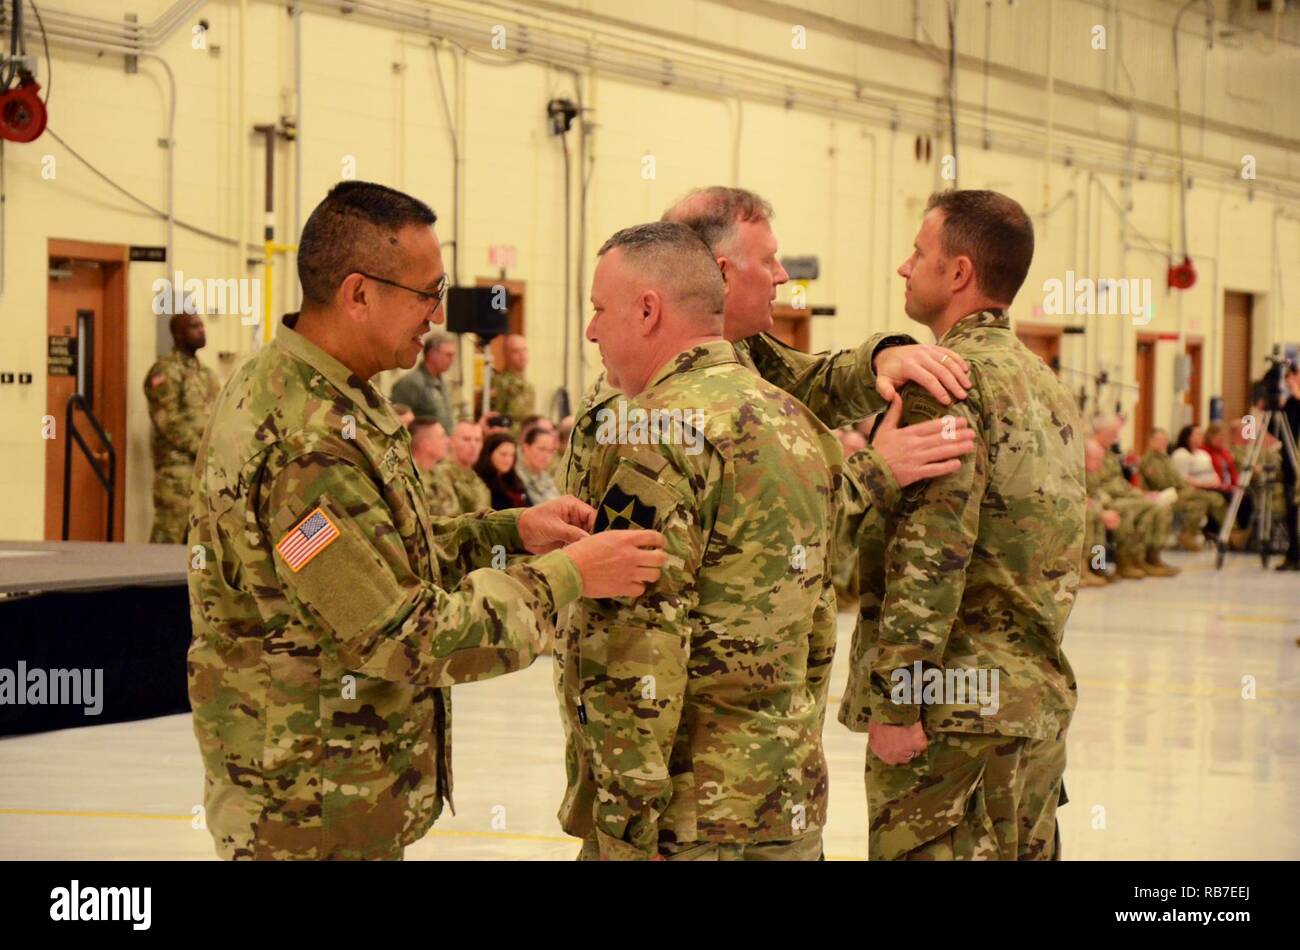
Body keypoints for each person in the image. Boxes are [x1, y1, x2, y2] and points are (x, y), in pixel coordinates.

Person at [186, 180, 667, 861]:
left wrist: (507, 534)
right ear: (358, 294)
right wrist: (564, 577)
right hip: (305, 815)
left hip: (329, 795)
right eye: (427, 294)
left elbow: (372, 559)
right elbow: (399, 636)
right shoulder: (307, 440)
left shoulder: (320, 391)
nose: (437, 316)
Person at [556, 221, 847, 860]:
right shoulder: (800, 424)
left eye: (600, 310)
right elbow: (819, 621)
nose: (592, 330)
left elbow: (634, 646)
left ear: (648, 310)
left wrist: (626, 822)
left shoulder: (656, 433)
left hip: (684, 821)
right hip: (785, 800)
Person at [839, 190, 1084, 861]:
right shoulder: (1048, 388)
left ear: (958, 274)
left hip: (950, 721)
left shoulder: (944, 382)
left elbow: (930, 556)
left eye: (919, 252)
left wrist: (898, 702)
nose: (902, 267)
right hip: (1031, 708)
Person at [144, 311, 220, 543]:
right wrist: (203, 449)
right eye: (194, 327)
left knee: (201, 542)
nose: (201, 331)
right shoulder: (165, 371)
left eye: (202, 326)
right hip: (177, 472)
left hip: (205, 472)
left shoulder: (206, 373)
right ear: (178, 334)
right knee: (169, 537)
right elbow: (168, 421)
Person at [1091, 415, 1180, 577]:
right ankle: (1125, 562)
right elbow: (1094, 485)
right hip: (1105, 500)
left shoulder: (1109, 455)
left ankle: (1149, 557)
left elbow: (1121, 483)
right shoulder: (1091, 451)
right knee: (1130, 511)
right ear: (1101, 432)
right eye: (1113, 433)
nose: (1115, 438)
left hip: (1122, 497)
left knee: (1160, 508)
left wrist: (1142, 494)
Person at [1139, 426, 1226, 549]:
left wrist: (1184, 485)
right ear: (1151, 441)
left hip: (1176, 492)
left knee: (1200, 503)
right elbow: (1161, 483)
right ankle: (1229, 532)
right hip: (1164, 495)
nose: (1163, 442)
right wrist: (1185, 486)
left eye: (1164, 439)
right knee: (1213, 497)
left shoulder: (1165, 458)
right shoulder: (1150, 460)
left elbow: (1177, 478)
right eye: (1159, 439)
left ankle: (1188, 535)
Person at [389, 331, 462, 434]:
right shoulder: (411, 383)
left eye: (453, 355)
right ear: (432, 353)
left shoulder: (443, 383)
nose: (452, 360)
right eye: (448, 355)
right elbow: (394, 420)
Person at [1204, 421, 1252, 546]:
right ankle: (1231, 532)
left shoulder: (1225, 452)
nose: (1221, 439)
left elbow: (1233, 472)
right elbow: (1210, 473)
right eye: (1218, 436)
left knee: (1246, 498)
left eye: (1222, 437)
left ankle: (1241, 532)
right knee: (1231, 498)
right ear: (1210, 437)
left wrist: (1237, 486)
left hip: (1228, 485)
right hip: (1216, 485)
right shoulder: (1205, 452)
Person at [437, 420, 491, 514]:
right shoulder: (440, 474)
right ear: (452, 442)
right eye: (466, 439)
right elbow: (449, 516)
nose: (473, 445)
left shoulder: (476, 480)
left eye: (478, 440)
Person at [1276, 363, 1300, 571]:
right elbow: (1279, 432)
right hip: (1291, 466)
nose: (1291, 380)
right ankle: (1292, 554)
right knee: (1291, 511)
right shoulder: (1290, 404)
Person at [409, 418, 458, 517]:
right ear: (426, 444)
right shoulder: (411, 479)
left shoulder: (439, 473)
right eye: (442, 437)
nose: (448, 441)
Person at [490, 334, 535, 431]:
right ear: (506, 355)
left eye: (524, 350)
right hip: (509, 436)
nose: (522, 355)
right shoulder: (500, 382)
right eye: (516, 351)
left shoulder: (528, 385)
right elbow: (495, 416)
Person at [475, 432, 529, 510]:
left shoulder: (515, 481)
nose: (508, 460)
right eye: (503, 454)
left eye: (512, 455)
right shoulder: (481, 482)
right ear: (489, 454)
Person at [516, 424, 560, 505]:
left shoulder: (546, 478)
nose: (546, 456)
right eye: (542, 449)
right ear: (526, 448)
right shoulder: (514, 477)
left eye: (550, 451)